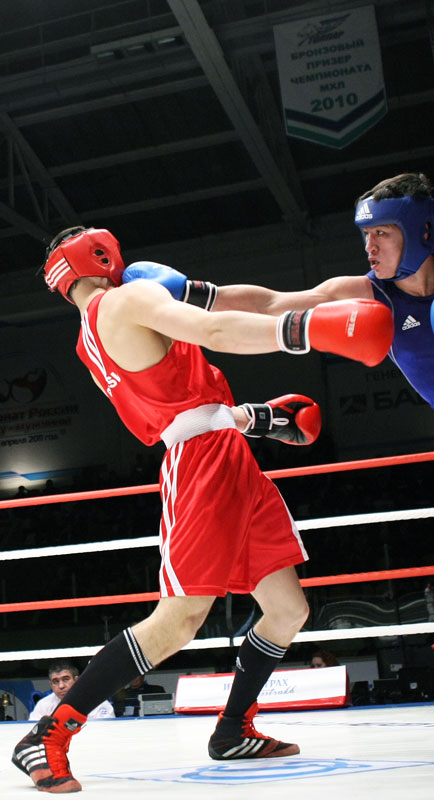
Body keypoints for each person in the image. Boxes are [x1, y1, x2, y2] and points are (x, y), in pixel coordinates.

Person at [127, 172, 434, 771]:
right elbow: (274, 303)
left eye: (382, 233)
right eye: (365, 234)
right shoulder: (367, 291)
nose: (370, 246)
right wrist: (196, 293)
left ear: (422, 231)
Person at [12, 226, 393, 794]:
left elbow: (188, 405)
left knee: (287, 609)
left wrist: (261, 418)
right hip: (202, 467)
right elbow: (214, 329)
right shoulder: (127, 298)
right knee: (180, 619)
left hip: (222, 450)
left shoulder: (91, 332)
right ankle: (46, 733)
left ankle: (233, 730)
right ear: (101, 255)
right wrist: (308, 331)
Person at [30, 663, 114, 721]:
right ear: (51, 685)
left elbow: (106, 732)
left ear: (76, 680)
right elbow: (32, 733)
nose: (61, 686)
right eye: (56, 681)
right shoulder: (43, 705)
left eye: (66, 679)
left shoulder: (98, 702)